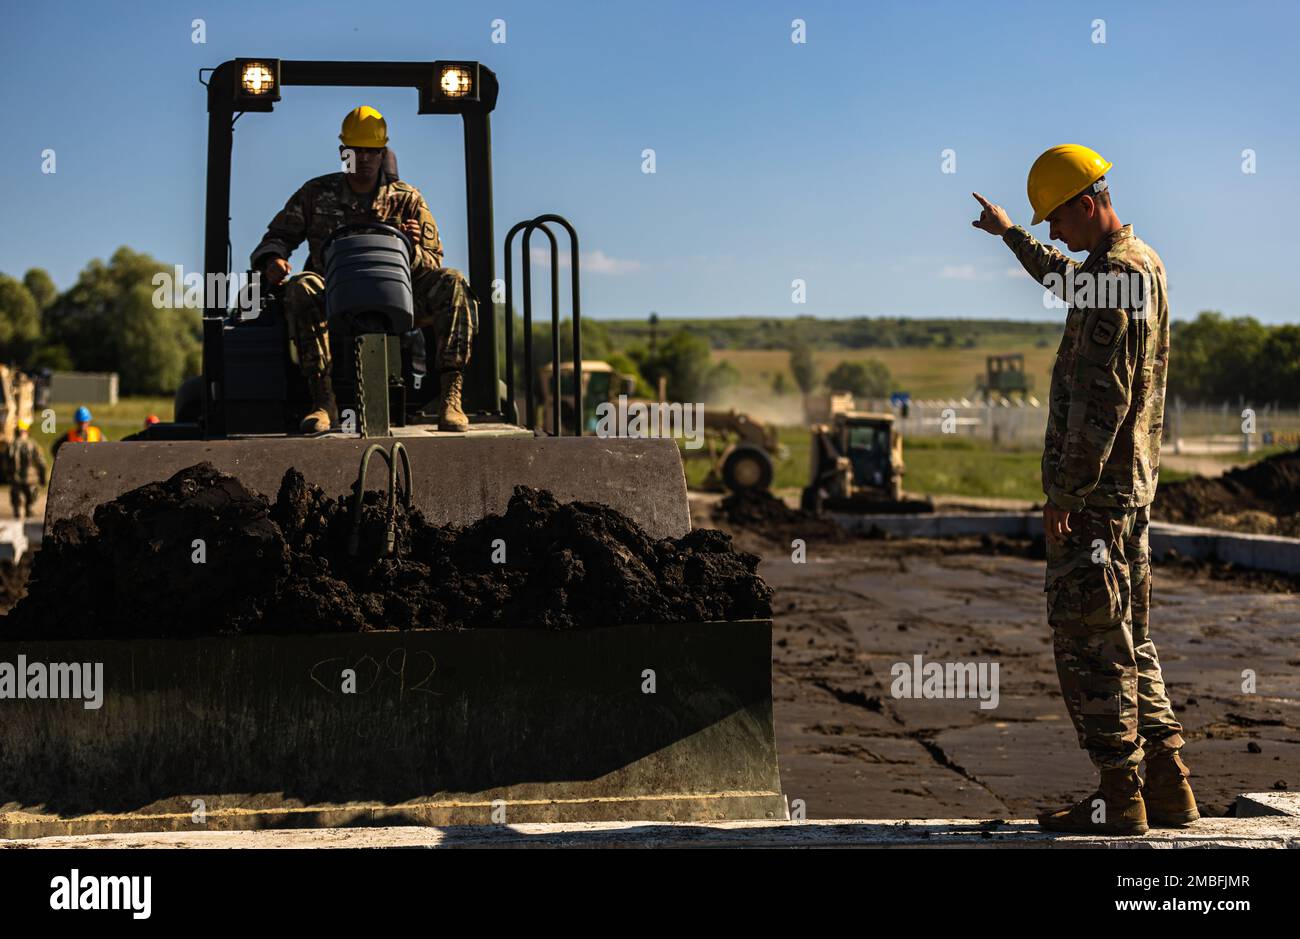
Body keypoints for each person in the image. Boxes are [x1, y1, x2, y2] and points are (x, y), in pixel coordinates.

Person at [971, 145, 1197, 835]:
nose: (1052, 234)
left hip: (1096, 501)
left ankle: (1118, 795)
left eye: (1055, 220)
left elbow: (1103, 401)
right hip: (1130, 494)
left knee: (1091, 641)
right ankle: (1168, 780)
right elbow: (1068, 277)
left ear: (1088, 204)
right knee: (1130, 635)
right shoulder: (1138, 266)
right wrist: (1011, 236)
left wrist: (1066, 495)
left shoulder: (1116, 280)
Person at [250, 105, 477, 434]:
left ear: (383, 153)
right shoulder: (316, 194)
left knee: (453, 283)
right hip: (334, 295)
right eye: (356, 151)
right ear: (343, 153)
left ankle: (450, 399)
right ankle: (322, 400)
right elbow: (277, 237)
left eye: (372, 152)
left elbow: (432, 260)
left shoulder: (407, 199)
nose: (364, 159)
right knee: (301, 286)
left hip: (399, 296)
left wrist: (413, 249)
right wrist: (273, 260)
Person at [5, 419, 47, 519]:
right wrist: (42, 477)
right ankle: (28, 512)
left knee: (18, 503)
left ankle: (19, 516)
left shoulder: (11, 445)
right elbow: (41, 462)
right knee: (30, 499)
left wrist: (7, 475)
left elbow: (5, 464)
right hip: (30, 479)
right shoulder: (32, 444)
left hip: (16, 479)